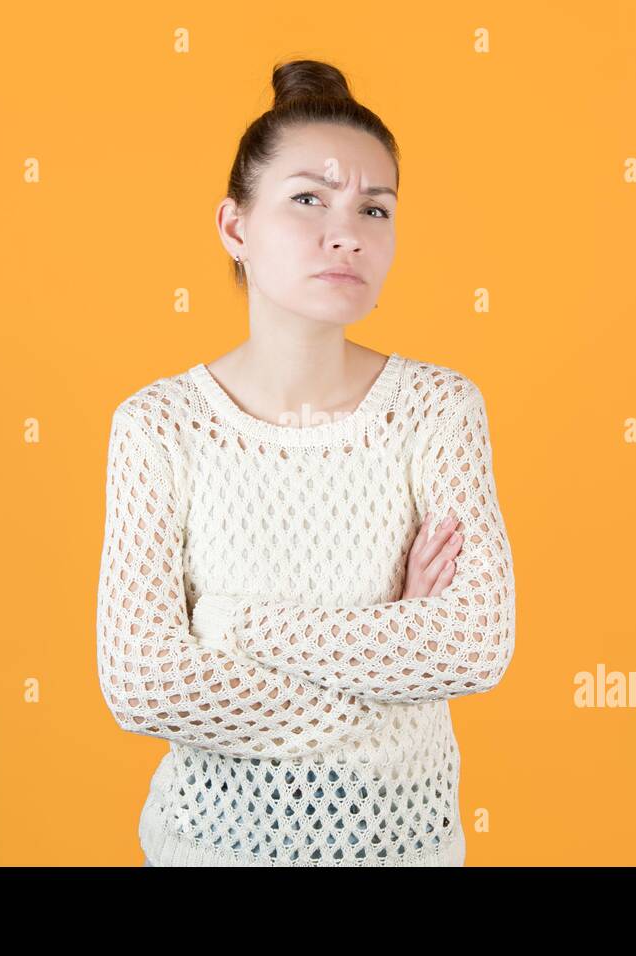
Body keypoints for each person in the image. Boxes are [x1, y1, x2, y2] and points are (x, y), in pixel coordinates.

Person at [97, 59, 516, 867]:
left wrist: (229, 625)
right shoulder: (159, 427)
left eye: (374, 208)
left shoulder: (435, 411)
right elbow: (144, 682)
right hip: (206, 850)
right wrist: (392, 649)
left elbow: (474, 641)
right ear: (234, 227)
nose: (346, 232)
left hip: (404, 851)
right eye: (306, 200)